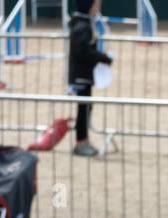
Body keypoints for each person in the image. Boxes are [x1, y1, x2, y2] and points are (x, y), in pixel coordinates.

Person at [69, 0, 113, 157]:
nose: (98, 8)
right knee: (83, 108)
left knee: (87, 107)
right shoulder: (82, 27)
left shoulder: (86, 24)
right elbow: (82, 52)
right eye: (96, 5)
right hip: (81, 75)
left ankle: (84, 140)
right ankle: (81, 142)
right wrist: (103, 58)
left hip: (85, 75)